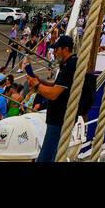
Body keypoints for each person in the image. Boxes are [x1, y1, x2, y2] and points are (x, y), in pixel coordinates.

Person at [27, 34, 76, 162]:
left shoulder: (70, 66)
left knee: (47, 156)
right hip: (58, 118)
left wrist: (36, 85)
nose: (54, 52)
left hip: (59, 119)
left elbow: (53, 94)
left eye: (57, 49)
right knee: (50, 154)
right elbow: (58, 85)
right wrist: (42, 81)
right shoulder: (67, 64)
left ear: (65, 49)